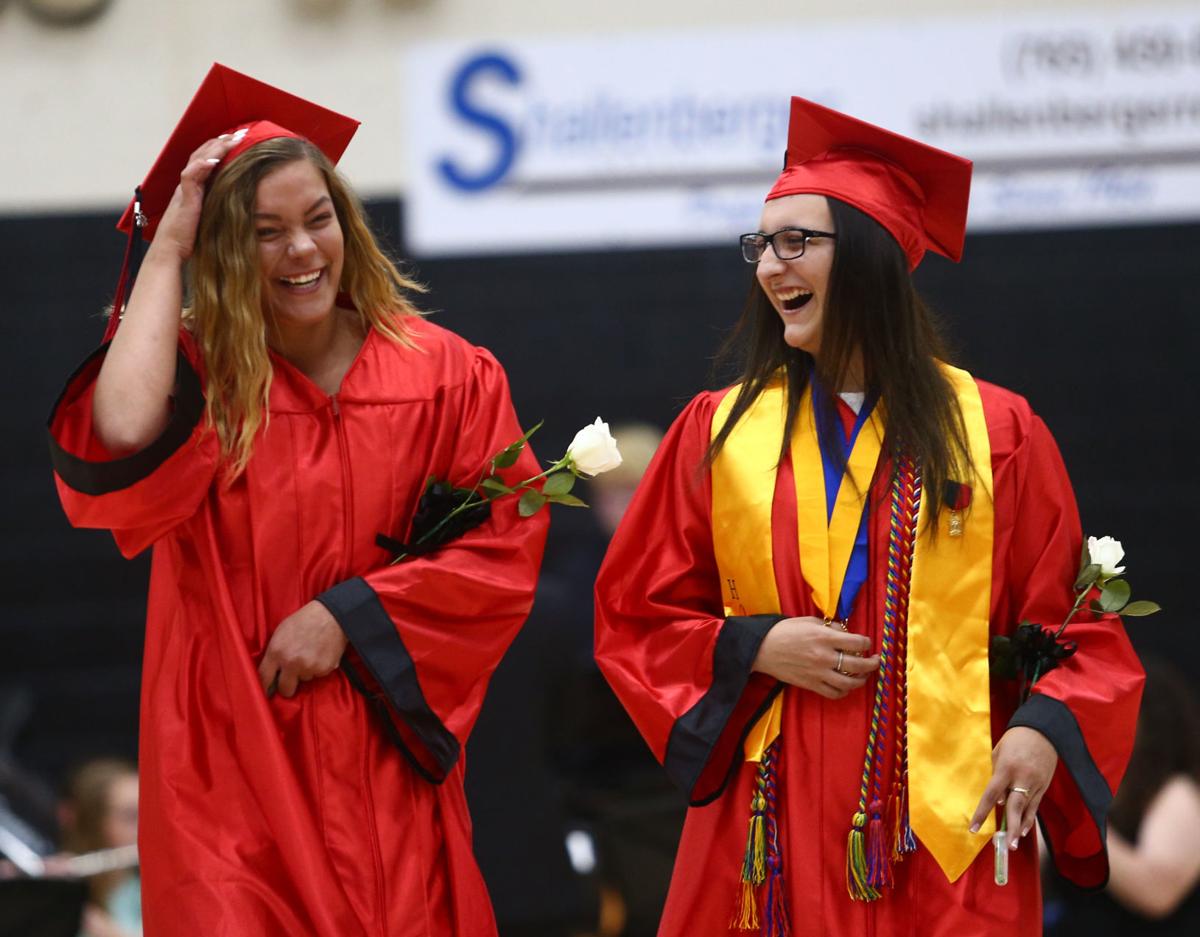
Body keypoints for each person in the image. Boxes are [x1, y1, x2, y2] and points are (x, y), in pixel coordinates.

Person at [593, 96, 1144, 936]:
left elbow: (1080, 631)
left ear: (871, 257)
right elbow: (634, 615)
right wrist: (755, 645)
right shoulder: (721, 433)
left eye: (796, 241)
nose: (771, 266)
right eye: (761, 245)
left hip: (943, 827)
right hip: (773, 824)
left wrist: (1039, 731)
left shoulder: (995, 433)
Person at [48, 64, 547, 936]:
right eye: (265, 232)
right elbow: (122, 431)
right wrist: (168, 245)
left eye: (318, 220)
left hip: (384, 761)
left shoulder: (443, 374)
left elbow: (501, 553)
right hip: (230, 762)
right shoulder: (205, 380)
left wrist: (350, 615)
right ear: (224, 249)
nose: (302, 251)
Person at [1046, 654, 1200, 935]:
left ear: (1153, 723)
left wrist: (1074, 818)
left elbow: (1157, 894)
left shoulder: (1176, 792)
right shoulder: (1098, 787)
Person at [59, 758, 141, 937]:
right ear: (93, 824)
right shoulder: (58, 900)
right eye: (131, 816)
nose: (145, 827)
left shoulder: (143, 892)